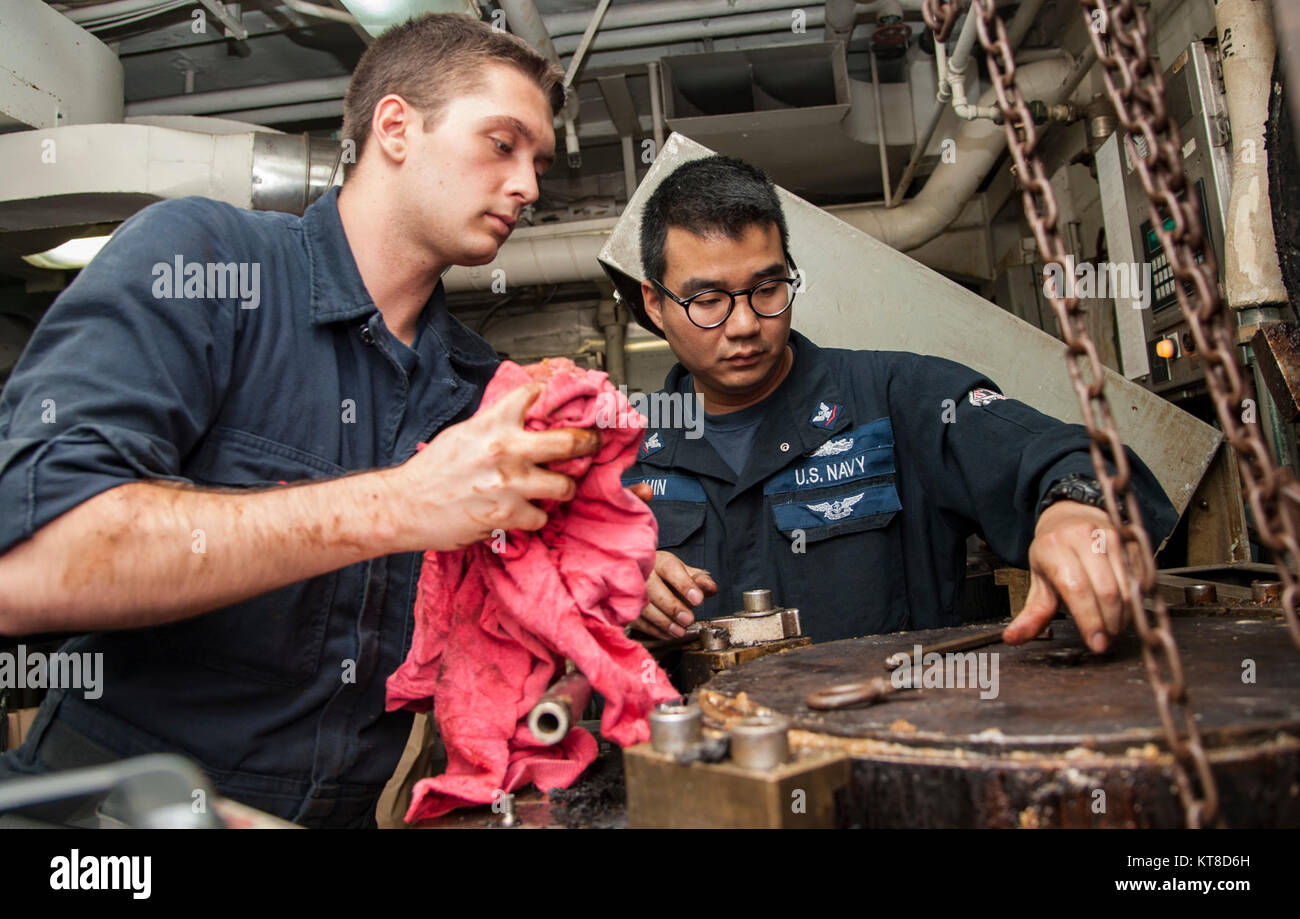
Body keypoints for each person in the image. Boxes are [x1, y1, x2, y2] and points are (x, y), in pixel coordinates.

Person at [0, 14, 597, 828]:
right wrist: (398, 504)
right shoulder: (206, 264)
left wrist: (593, 582)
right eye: (503, 143)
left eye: (538, 161)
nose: (529, 185)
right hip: (110, 822)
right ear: (395, 127)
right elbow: (28, 565)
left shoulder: (478, 389)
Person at [622, 155, 1178, 649]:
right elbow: (546, 592)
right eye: (708, 299)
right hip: (691, 757)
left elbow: (1066, 454)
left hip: (886, 750)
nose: (744, 325)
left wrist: (1077, 509)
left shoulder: (900, 397)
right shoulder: (614, 452)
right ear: (654, 302)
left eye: (767, 289)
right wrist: (608, 582)